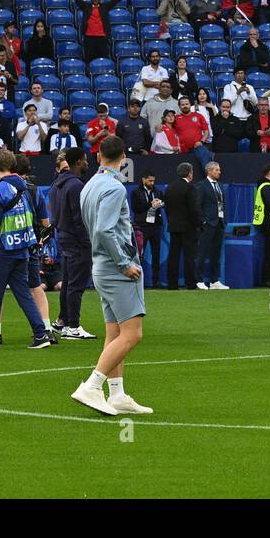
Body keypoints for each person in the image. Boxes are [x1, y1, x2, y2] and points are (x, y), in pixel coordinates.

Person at [71, 135, 151, 416]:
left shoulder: (88, 186)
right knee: (132, 335)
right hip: (116, 268)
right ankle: (92, 386)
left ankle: (117, 394)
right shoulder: (114, 188)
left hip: (101, 265)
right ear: (124, 158)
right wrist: (123, 263)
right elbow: (105, 230)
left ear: (98, 156)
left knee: (114, 333)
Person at [0, 150, 54, 351]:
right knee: (24, 293)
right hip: (23, 247)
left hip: (4, 248)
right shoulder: (27, 188)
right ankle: (41, 334)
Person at [47, 147, 95, 339]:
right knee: (76, 285)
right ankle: (73, 327)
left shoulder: (56, 185)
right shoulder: (76, 186)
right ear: (77, 163)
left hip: (64, 237)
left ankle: (62, 320)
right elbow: (79, 218)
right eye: (84, 160)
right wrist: (86, 242)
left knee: (68, 282)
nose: (87, 163)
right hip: (76, 240)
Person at [163, 161, 201, 291]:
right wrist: (198, 224)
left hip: (174, 226)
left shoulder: (170, 187)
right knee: (189, 256)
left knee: (173, 256)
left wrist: (172, 221)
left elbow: (166, 208)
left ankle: (172, 284)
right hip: (188, 227)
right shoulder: (190, 187)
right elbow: (193, 209)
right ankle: (190, 283)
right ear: (190, 173)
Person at [195, 161, 228, 290]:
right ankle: (198, 280)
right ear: (209, 171)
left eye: (219, 170)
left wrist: (224, 220)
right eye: (217, 170)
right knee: (202, 252)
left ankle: (214, 281)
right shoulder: (201, 186)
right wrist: (204, 221)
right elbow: (197, 205)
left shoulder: (220, 185)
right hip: (208, 223)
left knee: (216, 253)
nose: (219, 172)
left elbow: (222, 204)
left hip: (219, 222)